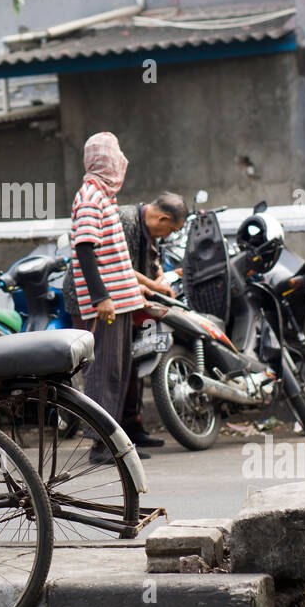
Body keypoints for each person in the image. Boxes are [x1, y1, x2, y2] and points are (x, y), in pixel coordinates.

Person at [65, 192, 187, 447]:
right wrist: (152, 285)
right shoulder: (124, 218)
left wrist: (159, 279)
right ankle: (103, 441)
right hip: (93, 300)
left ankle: (130, 430)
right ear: (162, 218)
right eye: (170, 229)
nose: (168, 236)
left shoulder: (145, 227)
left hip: (121, 300)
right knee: (103, 367)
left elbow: (150, 261)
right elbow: (117, 266)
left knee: (128, 364)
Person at [68, 132, 147, 463]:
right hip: (107, 304)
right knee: (104, 374)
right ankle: (101, 445)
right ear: (106, 162)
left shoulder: (103, 197)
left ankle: (112, 441)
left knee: (119, 372)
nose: (121, 163)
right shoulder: (90, 198)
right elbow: (84, 249)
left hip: (121, 300)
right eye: (116, 158)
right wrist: (101, 298)